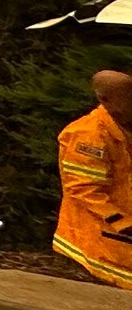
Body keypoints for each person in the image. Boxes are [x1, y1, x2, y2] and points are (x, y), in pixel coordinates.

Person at [54, 70, 132, 288]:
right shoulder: (88, 135)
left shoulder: (122, 128)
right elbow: (83, 189)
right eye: (129, 96)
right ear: (104, 100)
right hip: (99, 240)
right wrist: (121, 221)